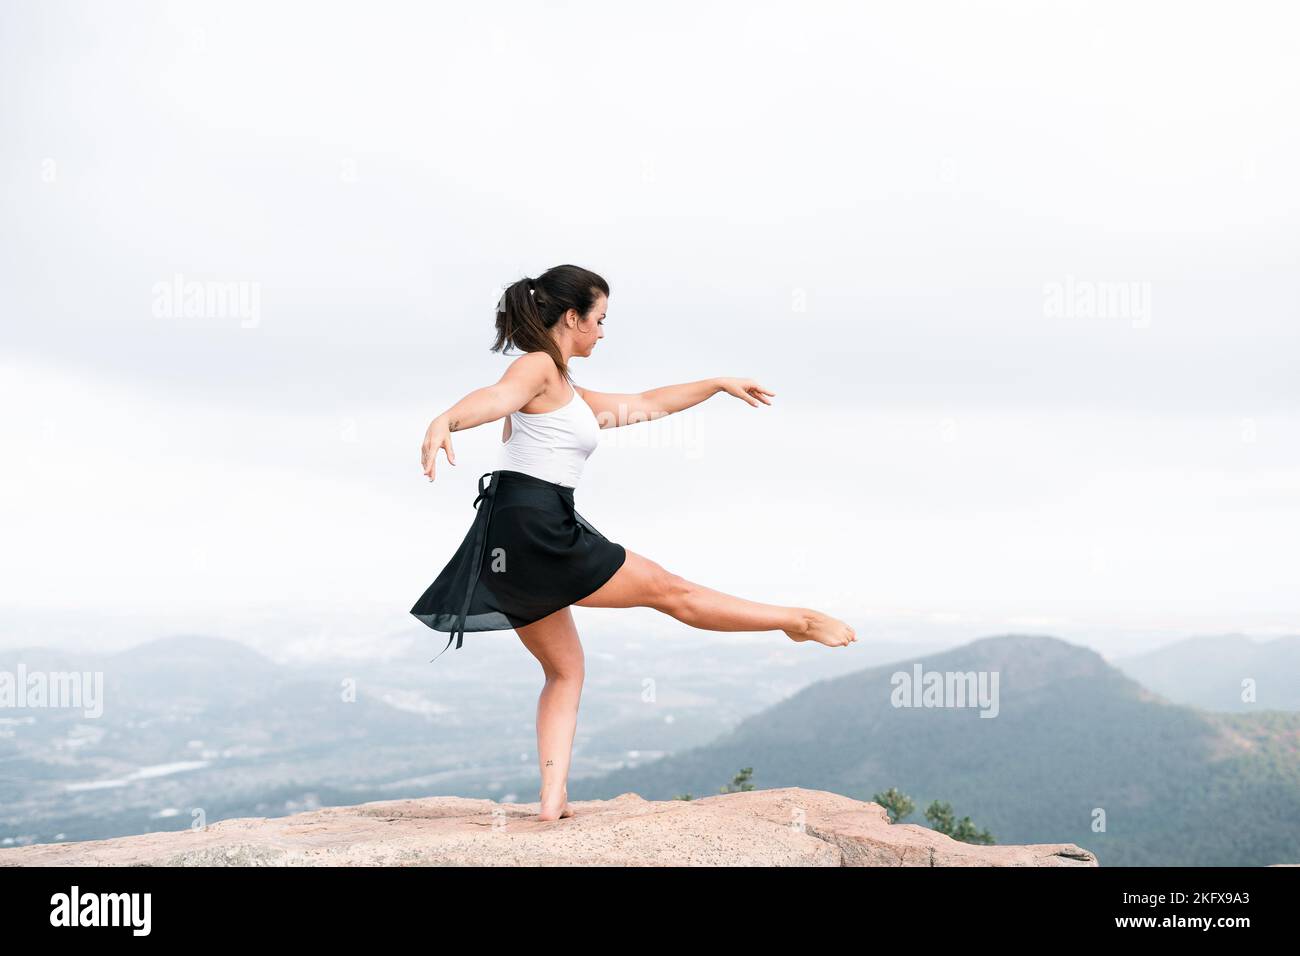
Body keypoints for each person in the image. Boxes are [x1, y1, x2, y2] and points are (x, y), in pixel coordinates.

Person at [412, 263, 856, 821]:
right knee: (673, 592)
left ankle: (552, 801)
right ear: (572, 317)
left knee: (565, 669)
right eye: (598, 319)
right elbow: (499, 395)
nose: (601, 331)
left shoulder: (567, 391)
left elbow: (648, 402)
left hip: (510, 533)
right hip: (537, 525)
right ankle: (797, 620)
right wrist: (448, 419)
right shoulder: (538, 367)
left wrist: (716, 384)